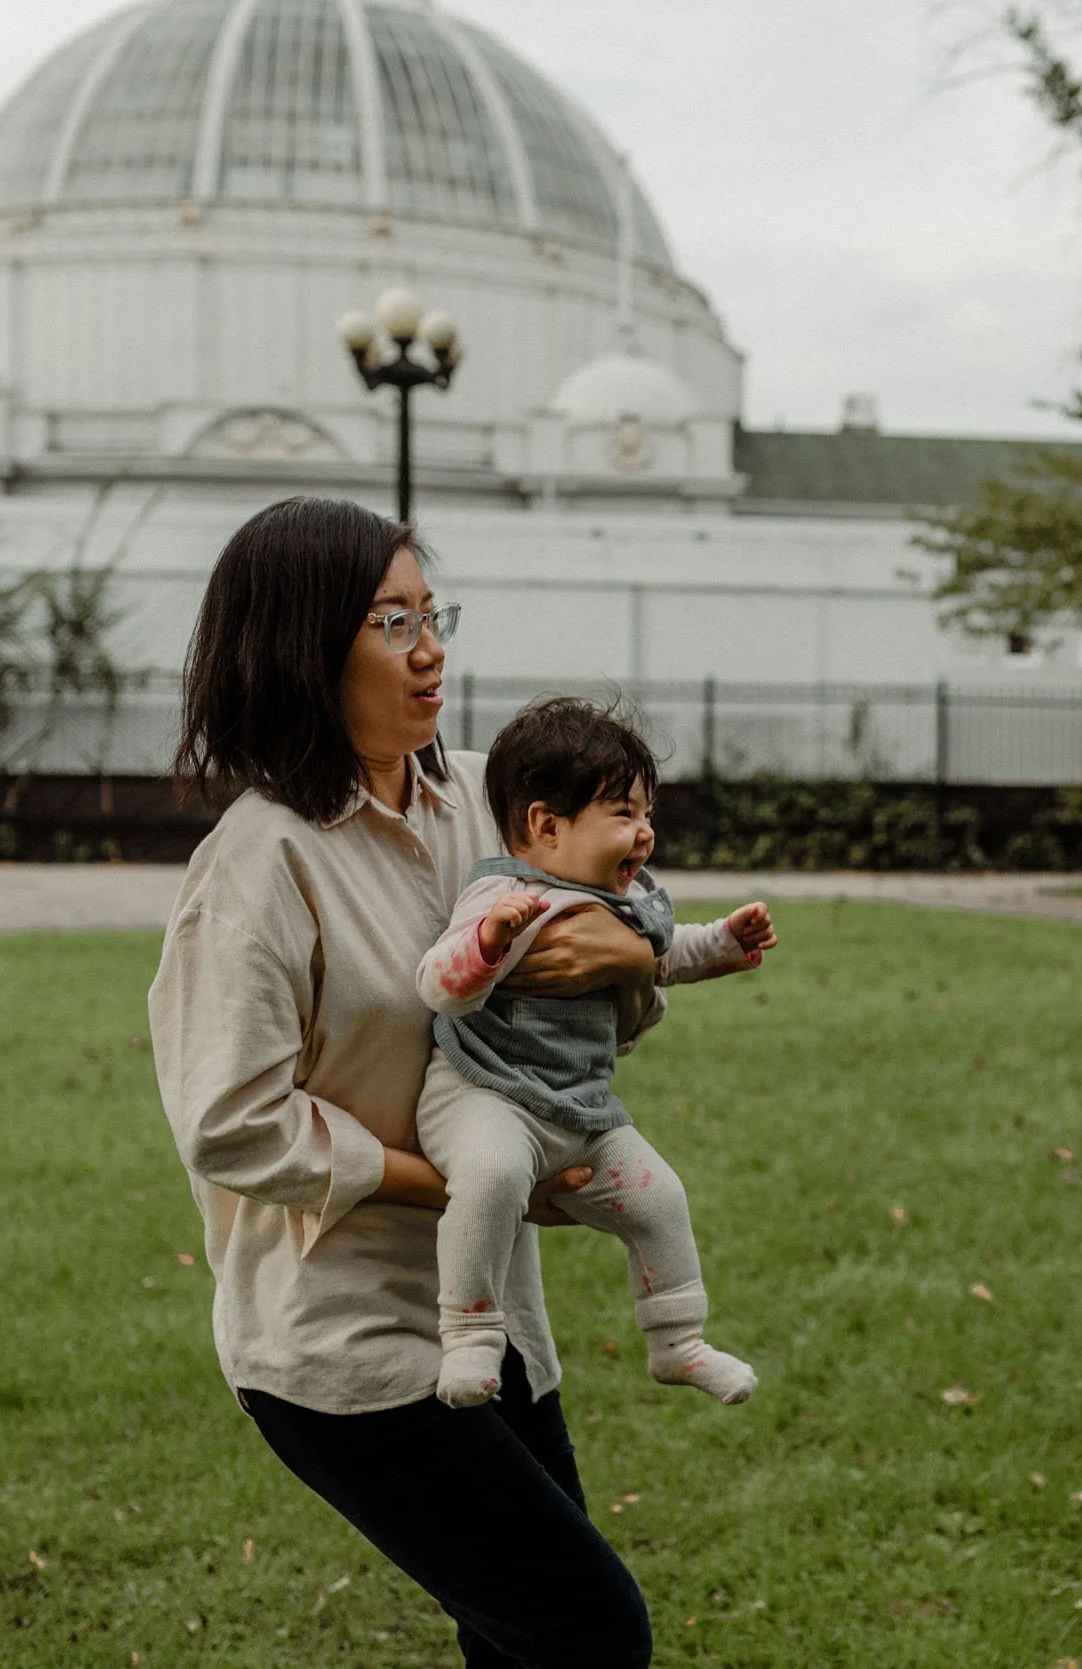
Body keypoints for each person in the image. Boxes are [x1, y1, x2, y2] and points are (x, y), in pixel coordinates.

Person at [148, 496, 655, 1668]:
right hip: (344, 1344)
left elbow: (615, 918)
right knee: (587, 1628)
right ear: (300, 646)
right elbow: (230, 1123)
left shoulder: (479, 799)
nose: (430, 649)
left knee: (516, 1634)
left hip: (490, 1314)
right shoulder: (259, 864)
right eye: (390, 622)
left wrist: (629, 949)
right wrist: (453, 1182)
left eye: (434, 615)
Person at [416, 695, 773, 1408]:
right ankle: (469, 1335)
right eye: (623, 814)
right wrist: (488, 944)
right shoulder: (502, 894)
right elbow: (438, 985)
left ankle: (678, 1341)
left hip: (580, 1105)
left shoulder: (626, 898)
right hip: (485, 1092)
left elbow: (666, 955)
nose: (643, 834)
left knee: (660, 1196)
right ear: (546, 825)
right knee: (488, 1177)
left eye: (647, 814)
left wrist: (727, 944)